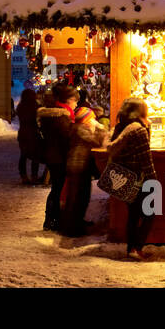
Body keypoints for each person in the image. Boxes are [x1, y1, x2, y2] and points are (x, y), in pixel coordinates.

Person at [106, 97, 157, 259]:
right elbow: (145, 158)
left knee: (133, 214)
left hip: (123, 176)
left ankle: (131, 249)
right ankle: (137, 247)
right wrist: (153, 179)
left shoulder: (120, 127)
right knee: (149, 213)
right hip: (138, 177)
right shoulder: (139, 130)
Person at [60, 88, 107, 237]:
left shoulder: (79, 128)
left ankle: (77, 222)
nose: (93, 121)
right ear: (86, 120)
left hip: (80, 167)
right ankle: (72, 227)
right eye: (91, 119)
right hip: (77, 167)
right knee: (77, 198)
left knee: (82, 196)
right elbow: (97, 141)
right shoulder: (81, 130)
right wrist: (101, 129)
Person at [36, 87, 74, 232]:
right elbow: (65, 139)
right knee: (57, 188)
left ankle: (51, 219)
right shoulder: (61, 117)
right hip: (58, 157)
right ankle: (52, 220)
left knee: (56, 188)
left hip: (52, 156)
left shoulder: (50, 116)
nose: (75, 105)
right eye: (74, 101)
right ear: (68, 101)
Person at [15, 89, 45, 185]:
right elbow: (39, 119)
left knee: (23, 156)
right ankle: (34, 176)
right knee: (35, 156)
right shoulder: (35, 106)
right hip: (33, 134)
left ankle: (24, 176)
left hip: (23, 134)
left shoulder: (21, 106)